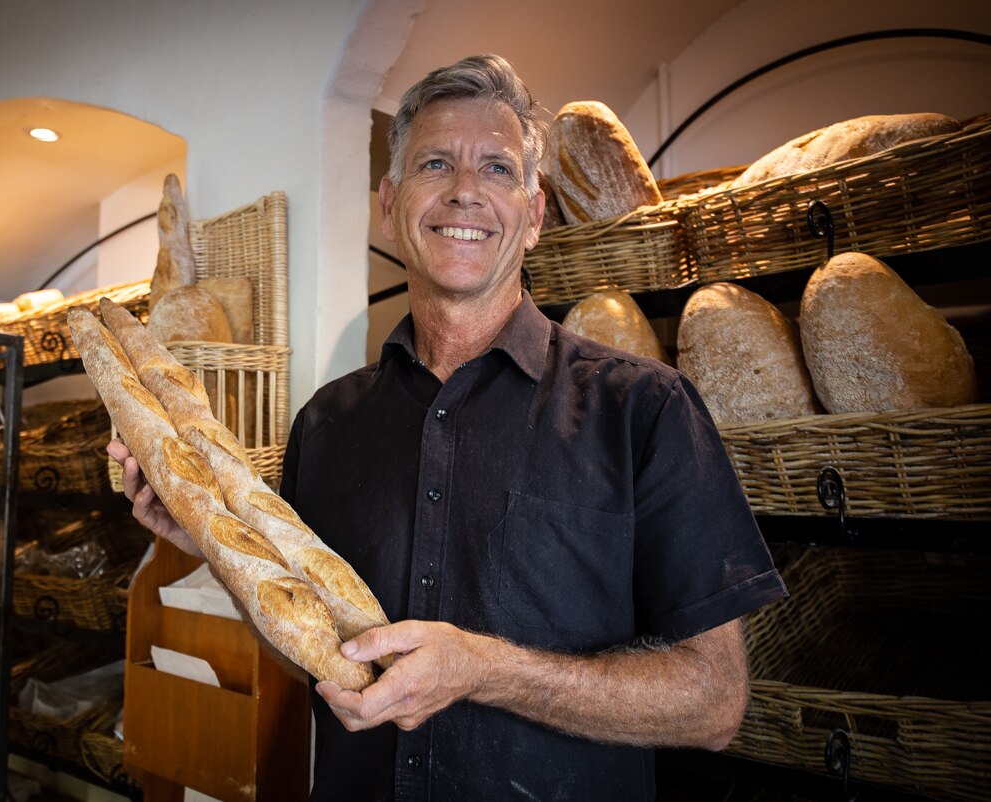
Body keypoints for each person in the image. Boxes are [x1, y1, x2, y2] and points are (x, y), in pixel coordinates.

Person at [110, 54, 786, 802]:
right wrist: (209, 546)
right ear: (389, 203)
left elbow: (714, 701)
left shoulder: (644, 411)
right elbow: (309, 638)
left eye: (498, 168)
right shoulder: (326, 423)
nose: (466, 189)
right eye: (436, 163)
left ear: (533, 218)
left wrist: (486, 671)